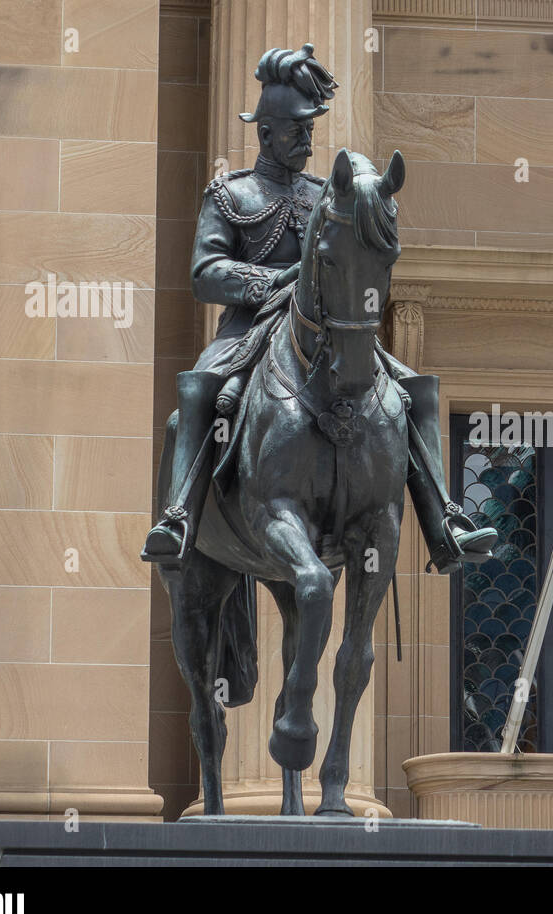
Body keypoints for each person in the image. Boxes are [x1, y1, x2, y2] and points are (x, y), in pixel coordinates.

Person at [142, 44, 496, 571]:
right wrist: (275, 281)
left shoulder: (327, 194)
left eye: (310, 128)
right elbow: (205, 275)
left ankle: (445, 522)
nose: (307, 138)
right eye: (295, 129)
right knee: (197, 393)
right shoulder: (230, 194)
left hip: (327, 330)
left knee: (414, 390)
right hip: (248, 331)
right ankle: (178, 517)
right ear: (265, 132)